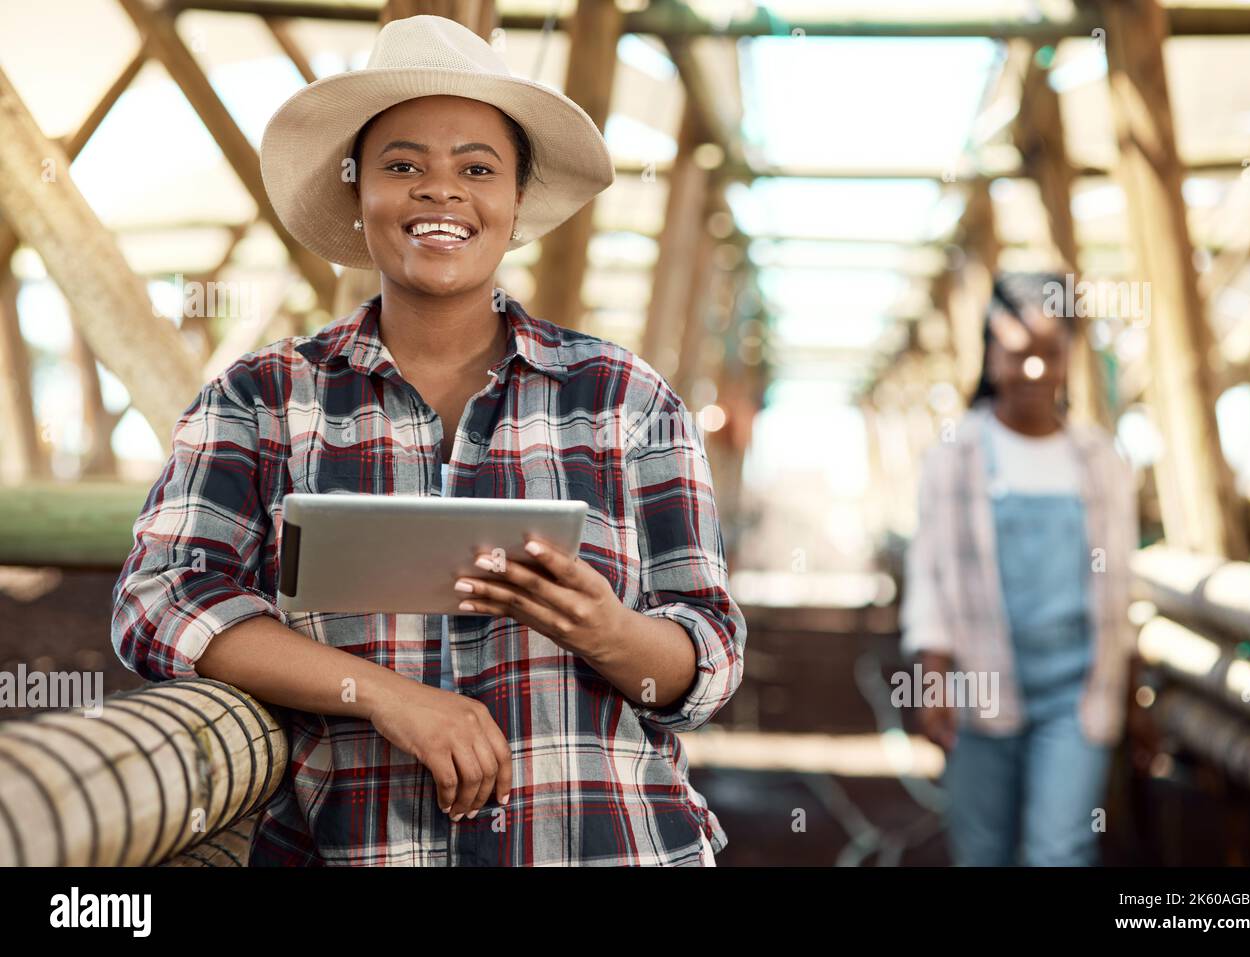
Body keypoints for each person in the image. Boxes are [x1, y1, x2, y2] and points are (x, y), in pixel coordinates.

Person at [111, 15, 744, 867]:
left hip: (611, 846)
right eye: (402, 165)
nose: (440, 192)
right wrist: (379, 694)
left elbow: (708, 652)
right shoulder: (261, 398)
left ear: (517, 201)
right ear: (356, 192)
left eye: (477, 169)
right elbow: (156, 600)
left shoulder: (626, 399)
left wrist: (607, 631)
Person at [900, 271, 1147, 866]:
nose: (1033, 371)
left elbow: (1123, 580)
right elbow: (929, 573)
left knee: (1058, 851)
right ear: (990, 355)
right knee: (982, 850)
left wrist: (1140, 687)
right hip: (981, 686)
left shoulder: (1101, 462)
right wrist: (930, 673)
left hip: (1078, 694)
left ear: (1069, 358)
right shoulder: (954, 459)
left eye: (1049, 355)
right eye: (1017, 355)